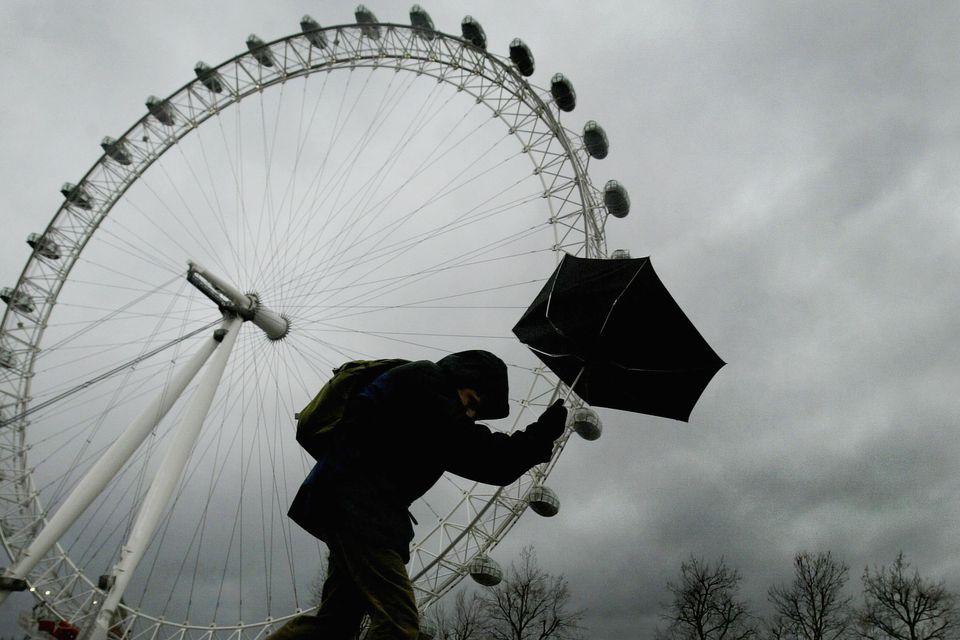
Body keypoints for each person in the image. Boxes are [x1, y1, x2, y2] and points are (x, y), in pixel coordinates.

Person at [269, 350, 568, 640]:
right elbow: (483, 457)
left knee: (334, 625)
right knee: (398, 623)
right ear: (461, 378)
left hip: (348, 505)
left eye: (476, 412)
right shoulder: (428, 384)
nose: (469, 414)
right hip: (363, 511)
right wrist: (539, 436)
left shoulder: (420, 388)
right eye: (471, 402)